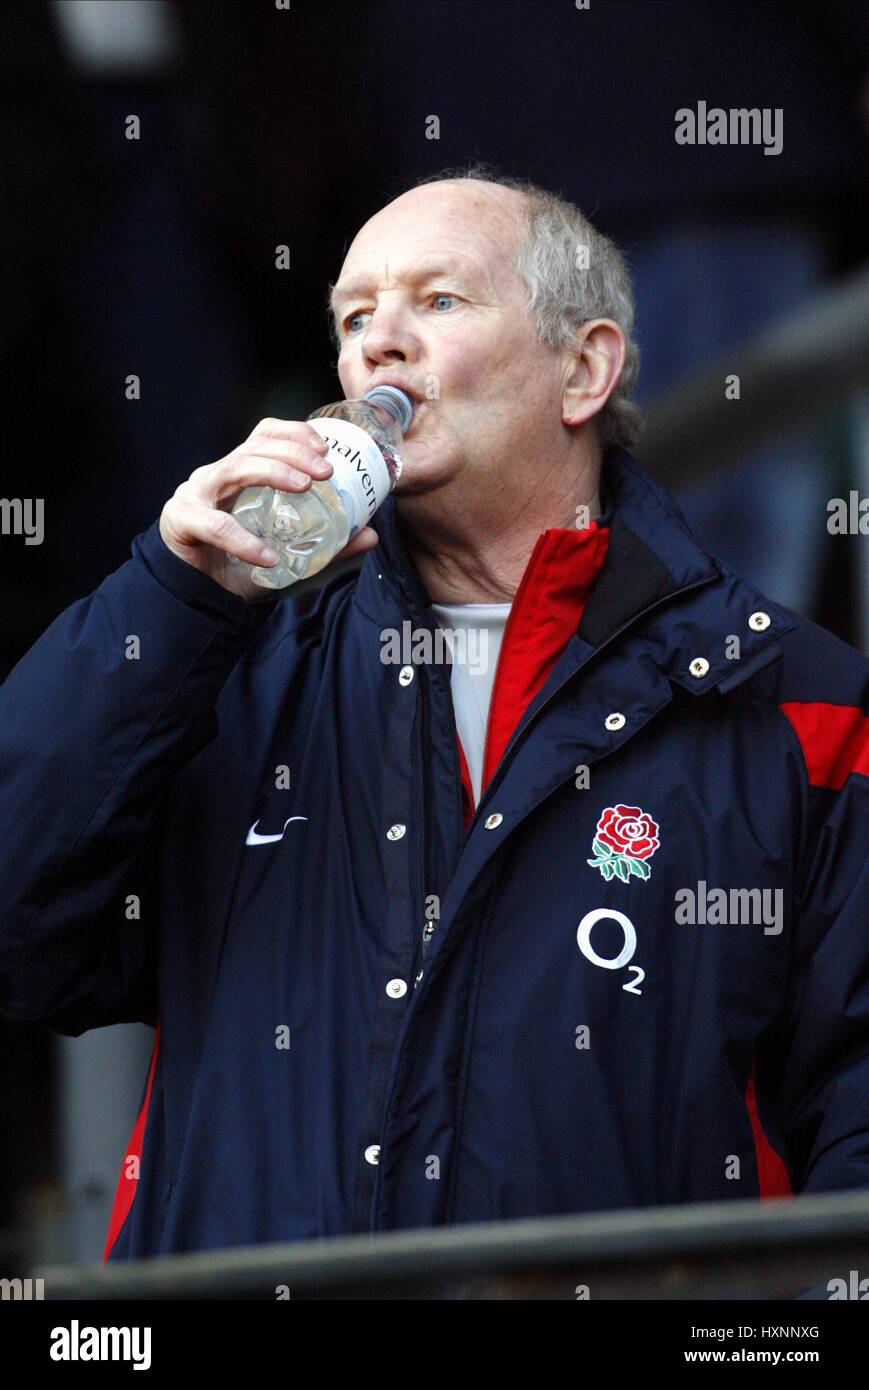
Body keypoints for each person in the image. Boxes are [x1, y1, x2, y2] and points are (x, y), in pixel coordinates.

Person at [0, 172, 866, 1262]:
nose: (379, 344)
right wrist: (170, 598)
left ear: (583, 370)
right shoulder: (223, 677)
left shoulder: (790, 698)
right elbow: (21, 934)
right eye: (353, 318)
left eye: (438, 301)